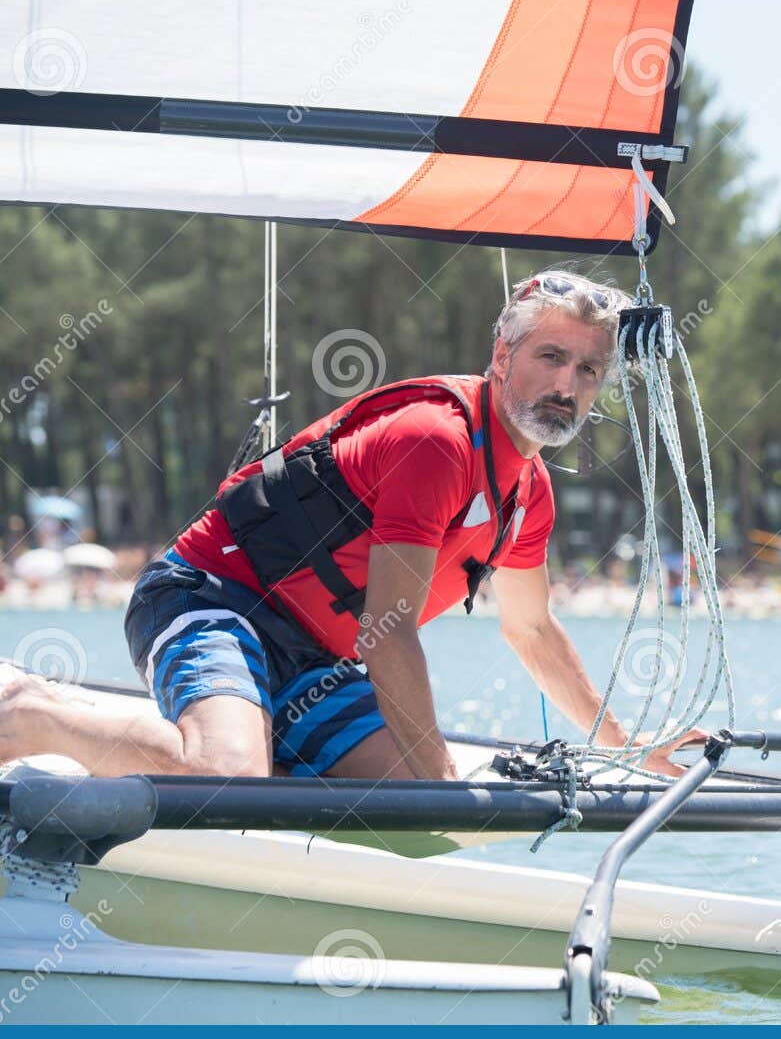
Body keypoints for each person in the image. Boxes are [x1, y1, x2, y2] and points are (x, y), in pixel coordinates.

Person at [1, 271, 697, 780]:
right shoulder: (438, 440)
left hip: (317, 660)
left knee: (406, 795)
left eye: (588, 369)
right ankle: (29, 711)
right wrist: (437, 782)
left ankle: (245, 750)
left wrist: (623, 743)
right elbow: (387, 626)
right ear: (503, 357)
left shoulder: (529, 492)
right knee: (229, 781)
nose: (567, 386)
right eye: (551, 357)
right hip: (211, 600)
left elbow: (532, 630)